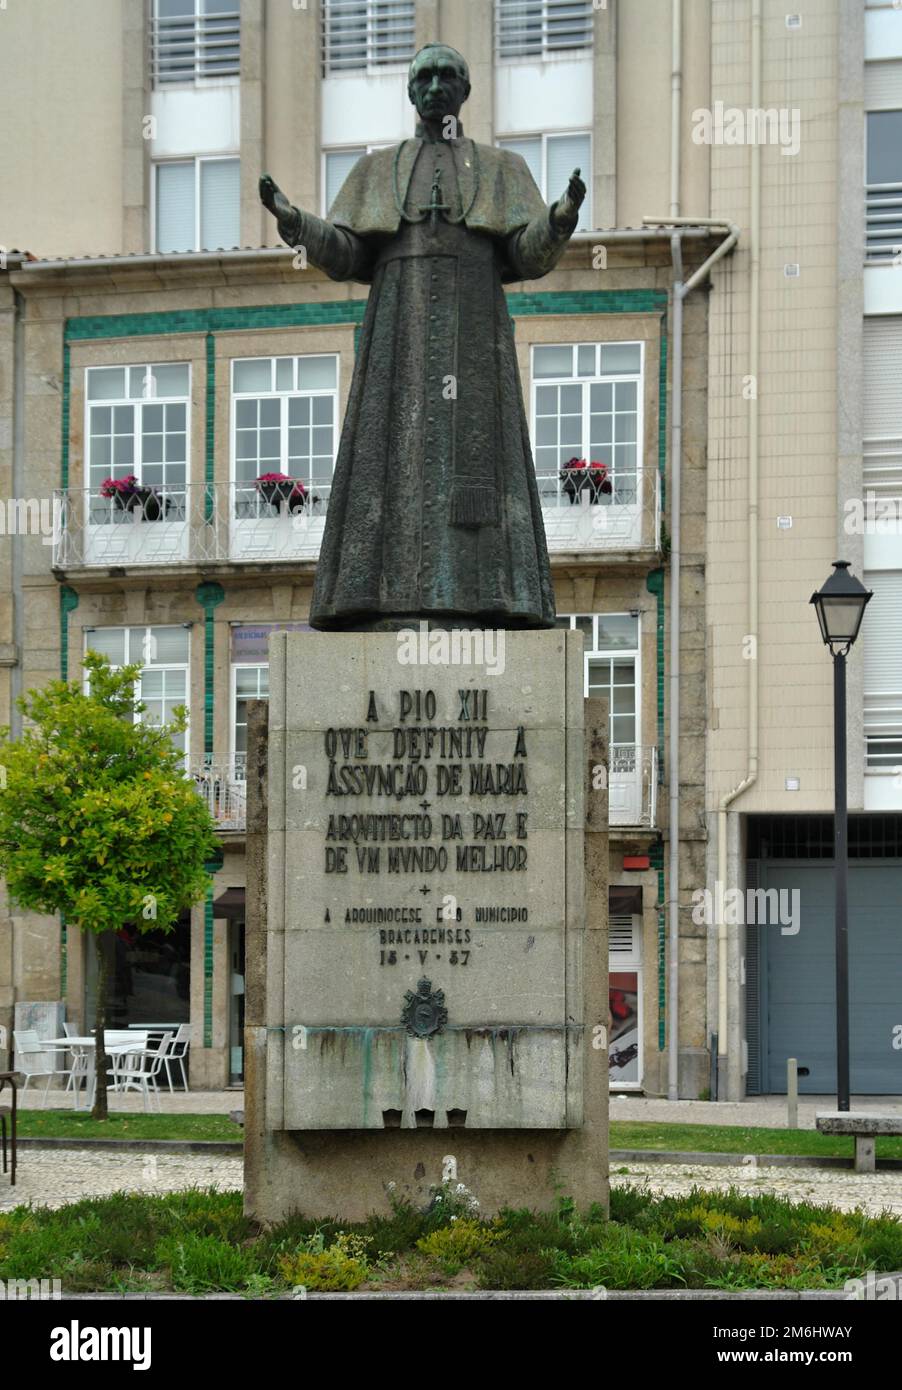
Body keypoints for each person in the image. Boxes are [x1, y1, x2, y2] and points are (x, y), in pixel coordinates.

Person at [260, 43, 586, 631]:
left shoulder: (502, 167)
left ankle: (491, 599)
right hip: (397, 332)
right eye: (425, 77)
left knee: (478, 462)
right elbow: (346, 251)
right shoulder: (374, 170)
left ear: (465, 91)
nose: (436, 86)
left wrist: (560, 217)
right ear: (411, 92)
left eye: (448, 77)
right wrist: (295, 224)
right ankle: (374, 597)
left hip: (474, 328)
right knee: (388, 455)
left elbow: (525, 254)